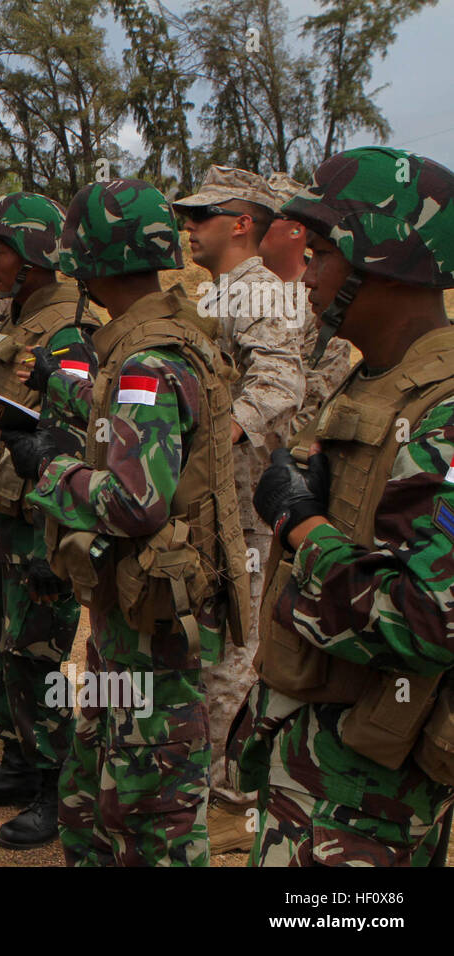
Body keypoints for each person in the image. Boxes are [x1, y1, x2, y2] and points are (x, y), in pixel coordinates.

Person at [232, 146, 454, 867]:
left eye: (323, 252)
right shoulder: (375, 381)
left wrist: (304, 526)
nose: (308, 273)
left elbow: (427, 621)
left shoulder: (443, 413)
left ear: (381, 262)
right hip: (318, 762)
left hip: (374, 802)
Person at [17, 179, 250, 866]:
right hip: (134, 618)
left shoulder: (149, 357)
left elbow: (133, 500)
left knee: (151, 818)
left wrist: (47, 468)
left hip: (157, 630)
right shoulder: (160, 340)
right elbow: (122, 408)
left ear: (87, 263)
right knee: (91, 801)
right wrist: (52, 383)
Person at [0, 191, 95, 848]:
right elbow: (13, 414)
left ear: (32, 256)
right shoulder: (23, 322)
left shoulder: (69, 332)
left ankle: (56, 788)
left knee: (34, 656)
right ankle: (17, 760)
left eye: (0, 251)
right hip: (3, 516)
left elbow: (81, 432)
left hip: (43, 525)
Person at [172, 165, 305, 852]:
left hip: (248, 510)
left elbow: (280, 384)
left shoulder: (264, 294)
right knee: (210, 649)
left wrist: (212, 441)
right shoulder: (219, 292)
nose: (188, 227)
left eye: (201, 215)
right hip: (217, 506)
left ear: (242, 221)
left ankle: (225, 804)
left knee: (233, 657)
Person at [260, 171, 354, 442]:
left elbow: (316, 410)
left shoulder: (320, 301)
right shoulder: (238, 292)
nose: (255, 225)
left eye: (267, 217)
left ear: (297, 229)